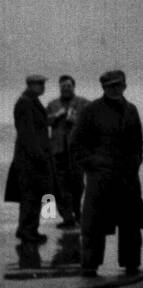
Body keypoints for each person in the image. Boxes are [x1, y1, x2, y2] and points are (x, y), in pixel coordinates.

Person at [71, 70, 143, 277]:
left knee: (131, 223)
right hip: (100, 178)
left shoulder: (131, 110)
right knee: (94, 224)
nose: (115, 89)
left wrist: (137, 160)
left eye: (118, 85)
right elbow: (76, 145)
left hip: (128, 177)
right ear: (103, 88)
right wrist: (94, 164)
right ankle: (90, 265)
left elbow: (138, 142)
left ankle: (132, 264)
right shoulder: (90, 110)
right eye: (110, 86)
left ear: (125, 85)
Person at [4, 74, 55, 244]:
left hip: (33, 158)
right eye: (39, 84)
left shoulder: (30, 101)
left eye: (42, 84)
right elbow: (28, 134)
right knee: (30, 196)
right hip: (30, 160)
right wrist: (39, 156)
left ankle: (30, 229)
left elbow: (38, 125)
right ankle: (26, 230)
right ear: (30, 85)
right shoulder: (25, 103)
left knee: (36, 195)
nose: (42, 87)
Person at [46, 75, 90, 228]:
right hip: (57, 151)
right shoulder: (52, 104)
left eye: (68, 86)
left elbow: (92, 122)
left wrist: (76, 119)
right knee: (59, 186)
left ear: (73, 87)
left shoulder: (83, 103)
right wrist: (56, 116)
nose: (66, 89)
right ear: (59, 88)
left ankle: (78, 213)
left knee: (78, 185)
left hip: (77, 150)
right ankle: (67, 217)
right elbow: (44, 121)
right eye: (63, 86)